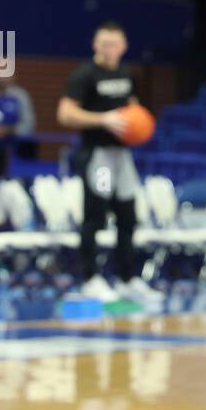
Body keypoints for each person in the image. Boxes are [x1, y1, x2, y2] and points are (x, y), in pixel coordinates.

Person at [57, 21, 160, 305]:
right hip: (98, 155)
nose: (108, 49)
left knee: (128, 217)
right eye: (103, 43)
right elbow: (64, 114)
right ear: (95, 45)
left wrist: (137, 123)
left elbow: (132, 108)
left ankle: (127, 279)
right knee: (95, 217)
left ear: (123, 47)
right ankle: (91, 278)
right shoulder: (84, 75)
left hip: (121, 156)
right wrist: (103, 119)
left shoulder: (126, 73)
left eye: (113, 44)